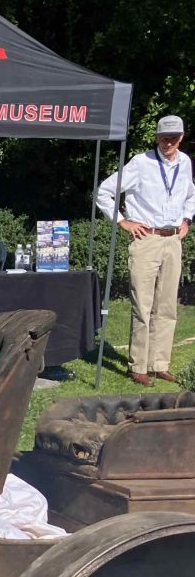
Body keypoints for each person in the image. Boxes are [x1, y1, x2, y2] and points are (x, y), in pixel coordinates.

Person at [96, 114, 195, 386]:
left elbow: (191, 194)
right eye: (164, 137)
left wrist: (187, 220)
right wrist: (123, 221)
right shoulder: (141, 163)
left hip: (173, 240)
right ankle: (138, 365)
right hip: (147, 240)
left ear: (181, 137)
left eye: (174, 137)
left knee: (167, 306)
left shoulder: (185, 162)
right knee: (143, 305)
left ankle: (159, 363)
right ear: (156, 137)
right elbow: (104, 192)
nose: (168, 142)